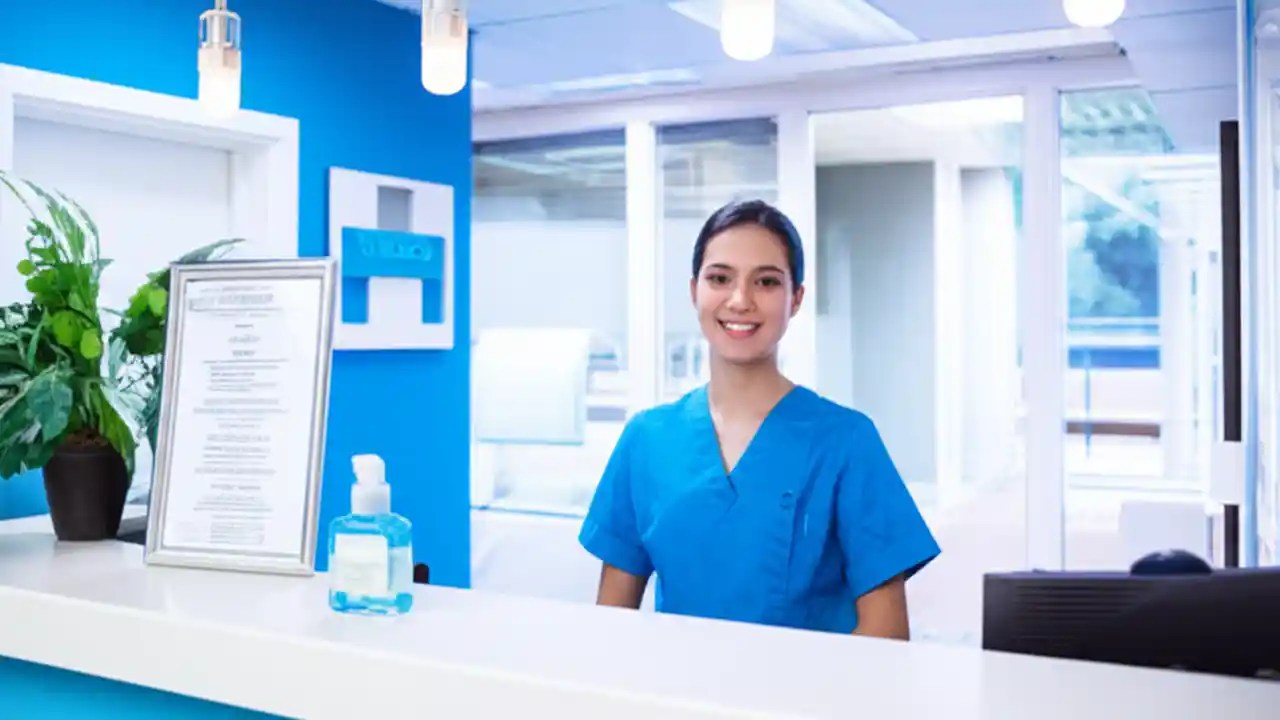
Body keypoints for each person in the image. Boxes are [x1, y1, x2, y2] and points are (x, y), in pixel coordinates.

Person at [578, 199, 940, 638]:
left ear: (796, 299)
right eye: (719, 278)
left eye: (766, 281)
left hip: (805, 704)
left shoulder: (846, 442)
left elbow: (885, 636)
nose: (740, 300)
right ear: (694, 291)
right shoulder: (647, 440)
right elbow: (611, 624)